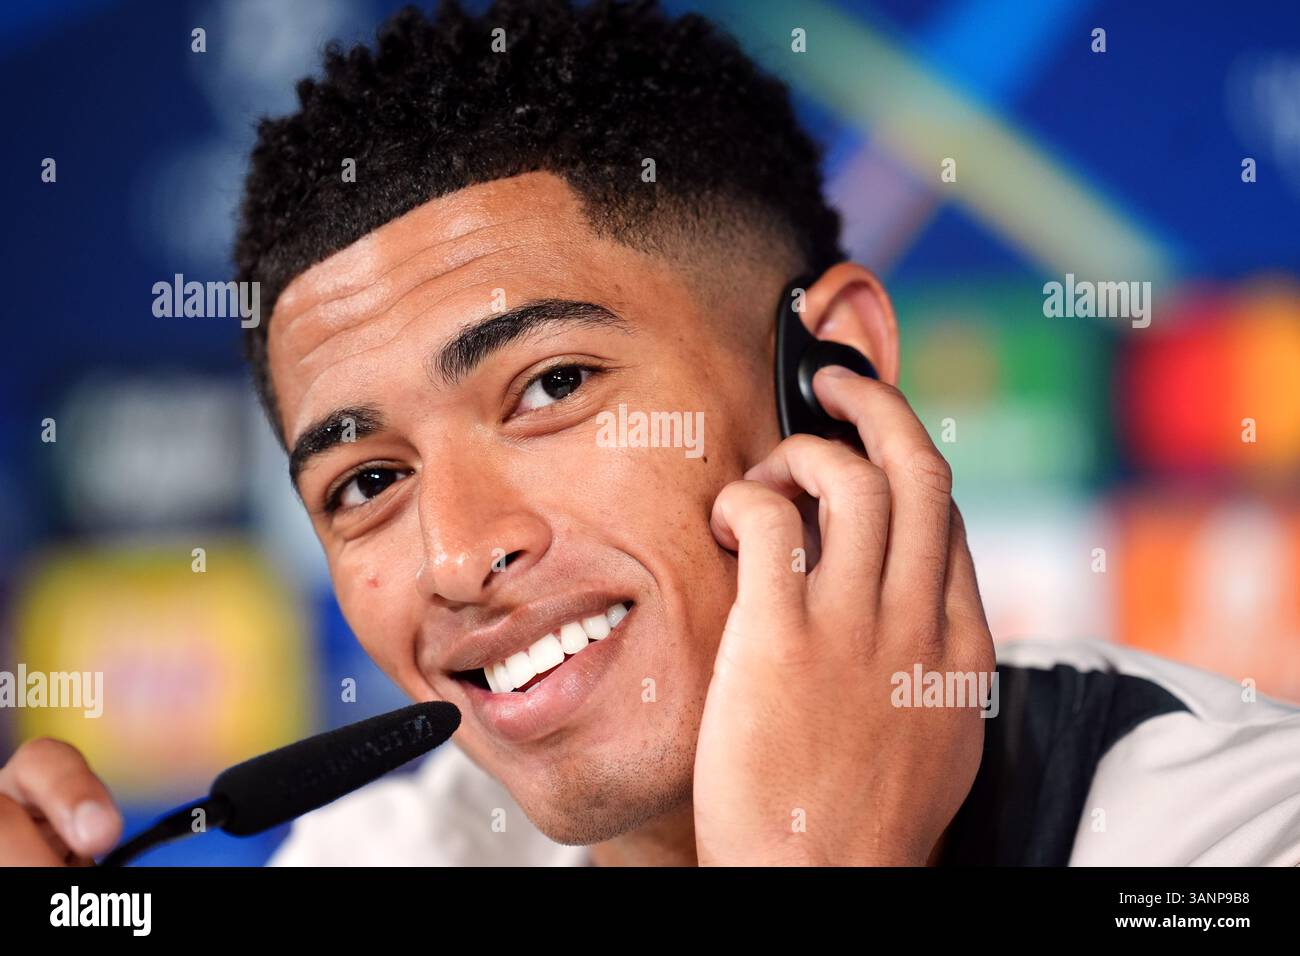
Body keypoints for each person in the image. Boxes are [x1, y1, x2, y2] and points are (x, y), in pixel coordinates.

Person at [3, 0, 1298, 868]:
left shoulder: (1228, 831)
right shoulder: (384, 854)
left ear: (832, 371)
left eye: (552, 384)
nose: (458, 554)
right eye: (369, 479)